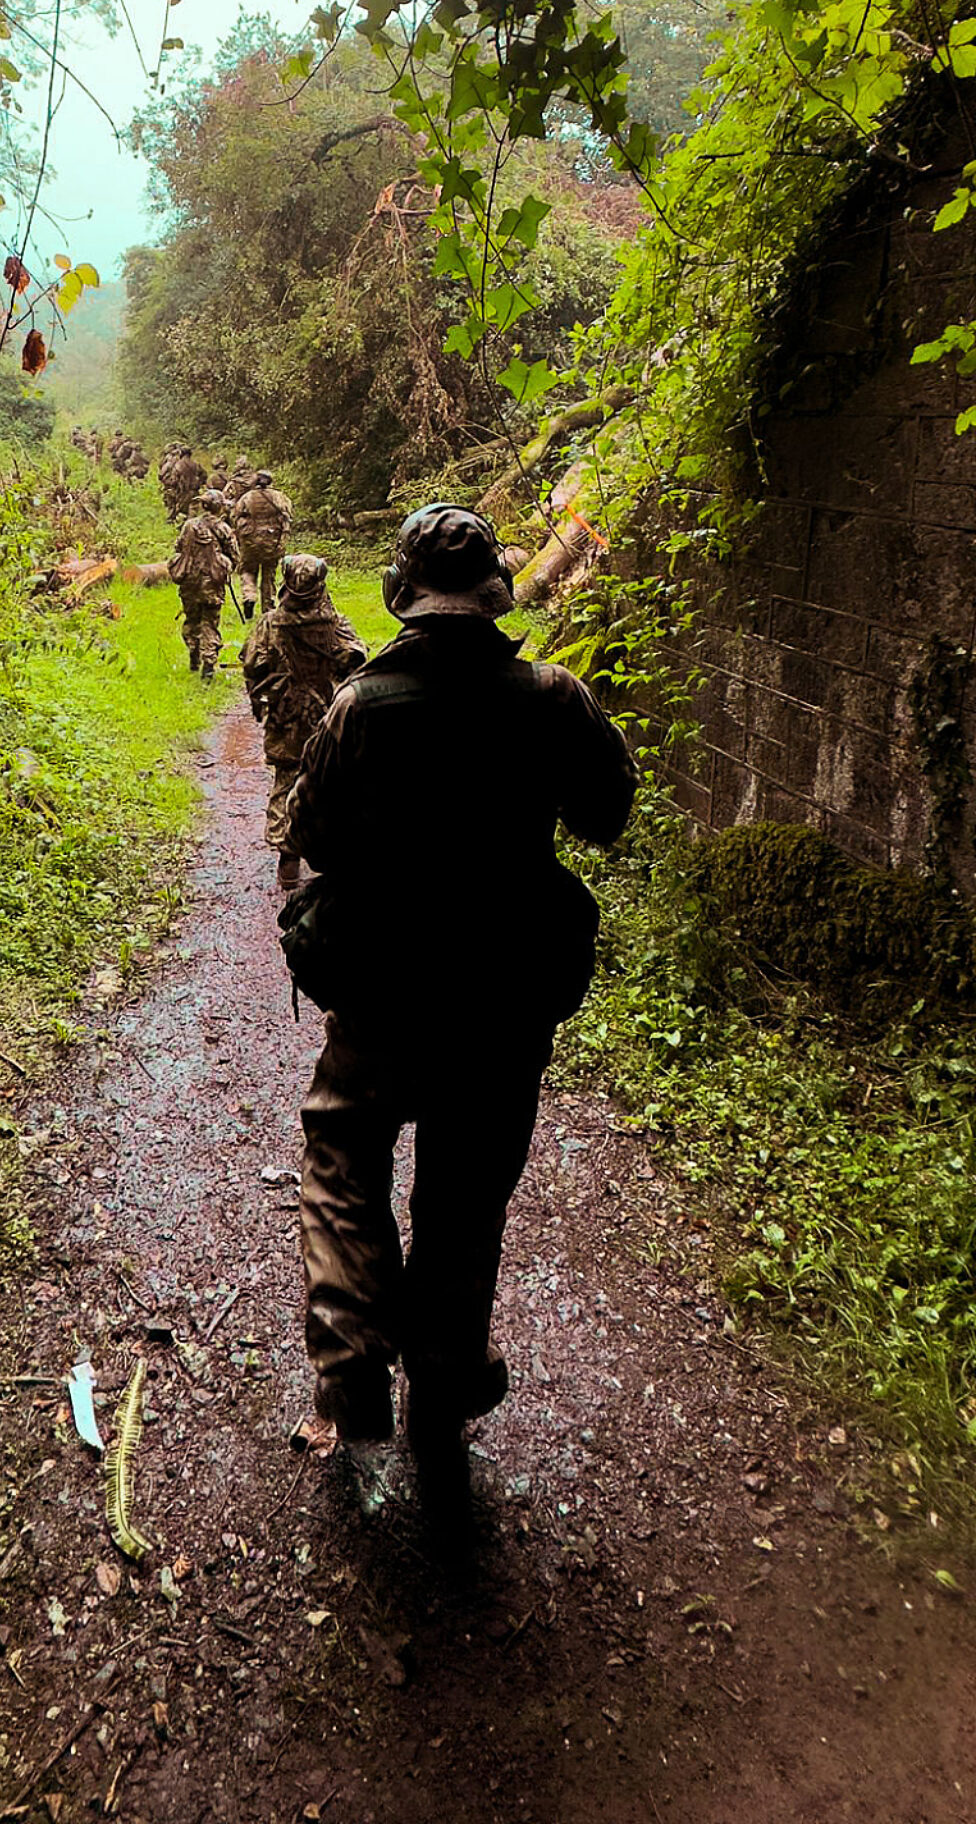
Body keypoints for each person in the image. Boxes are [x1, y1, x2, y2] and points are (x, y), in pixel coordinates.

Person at [282, 502, 636, 1472]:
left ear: (402, 597)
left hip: (384, 994)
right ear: (493, 595)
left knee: (345, 1156)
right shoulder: (554, 699)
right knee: (466, 1195)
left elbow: (314, 838)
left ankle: (352, 1358)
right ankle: (441, 1381)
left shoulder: (358, 708)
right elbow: (608, 816)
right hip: (502, 1000)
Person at [242, 555, 366, 891]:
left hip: (284, 716)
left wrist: (261, 697)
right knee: (328, 780)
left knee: (286, 781)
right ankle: (330, 854)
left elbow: (253, 665)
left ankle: (289, 860)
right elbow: (355, 664)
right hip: (324, 714)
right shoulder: (337, 623)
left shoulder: (270, 623)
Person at [168, 487, 238, 681]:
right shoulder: (223, 529)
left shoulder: (189, 525)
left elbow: (179, 547)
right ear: (219, 507)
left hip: (189, 580)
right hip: (212, 584)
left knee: (192, 619)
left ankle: (193, 651)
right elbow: (235, 556)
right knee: (210, 621)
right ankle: (208, 663)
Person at [231, 468, 293, 616]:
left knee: (247, 570)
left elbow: (235, 516)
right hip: (272, 542)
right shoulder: (279, 497)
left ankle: (249, 596)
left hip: (250, 542)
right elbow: (288, 515)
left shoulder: (247, 497)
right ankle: (268, 609)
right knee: (269, 574)